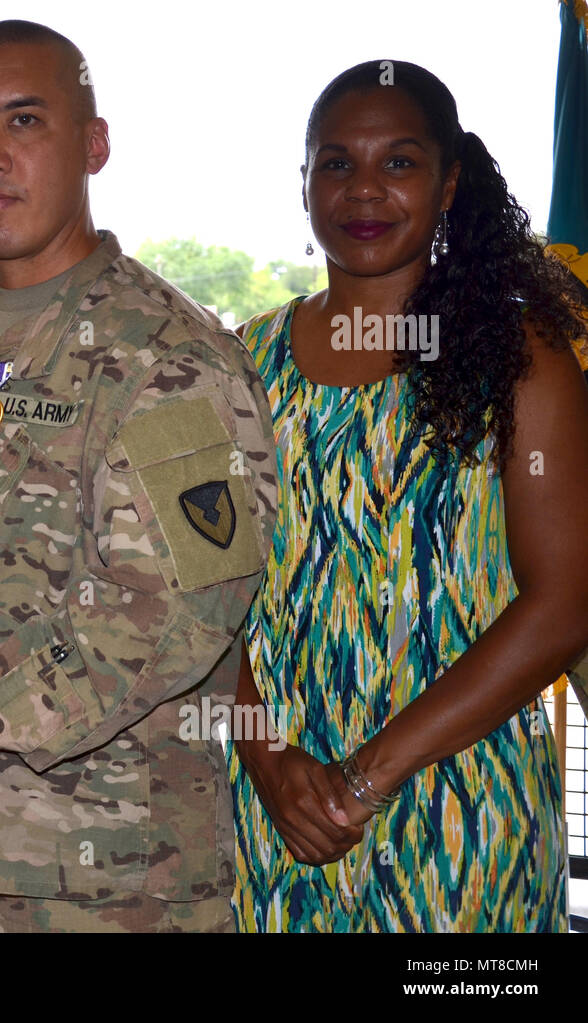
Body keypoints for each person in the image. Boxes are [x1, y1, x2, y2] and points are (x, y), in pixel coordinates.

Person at [0, 20, 276, 932]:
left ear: (93, 144)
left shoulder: (167, 355)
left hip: (110, 878)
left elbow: (179, 615)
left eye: (22, 121)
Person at [229, 61, 588, 932]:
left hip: (464, 817)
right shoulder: (238, 364)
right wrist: (274, 764)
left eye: (399, 163)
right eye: (336, 162)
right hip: (276, 820)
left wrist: (365, 778)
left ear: (450, 181)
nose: (364, 190)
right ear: (303, 181)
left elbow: (565, 606)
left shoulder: (523, 358)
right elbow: (200, 600)